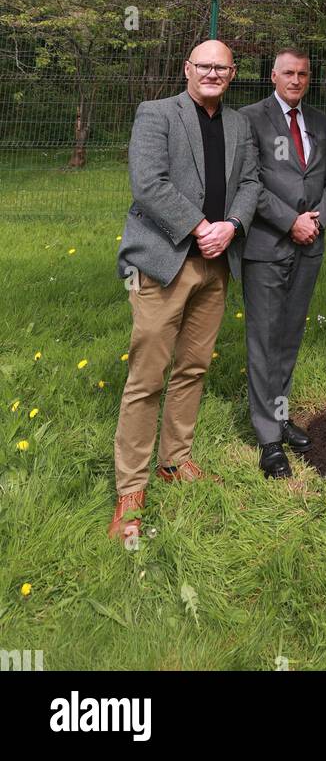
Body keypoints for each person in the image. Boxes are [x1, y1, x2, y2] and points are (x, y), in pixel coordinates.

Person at [110, 40, 260, 543]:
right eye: (204, 66)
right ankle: (131, 489)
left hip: (215, 266)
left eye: (222, 67)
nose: (213, 73)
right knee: (147, 377)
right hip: (164, 264)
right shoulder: (156, 114)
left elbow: (251, 183)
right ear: (187, 69)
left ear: (232, 74)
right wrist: (200, 227)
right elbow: (148, 184)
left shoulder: (239, 125)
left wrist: (232, 225)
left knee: (193, 368)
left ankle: (175, 461)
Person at [240, 48, 326, 479]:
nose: (296, 80)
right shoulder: (250, 119)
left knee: (288, 335)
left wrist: (319, 218)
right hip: (267, 246)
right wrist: (290, 222)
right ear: (273, 76)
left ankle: (279, 415)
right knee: (264, 338)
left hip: (310, 244)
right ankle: (268, 438)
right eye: (288, 73)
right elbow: (249, 182)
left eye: (303, 73)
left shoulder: (318, 121)